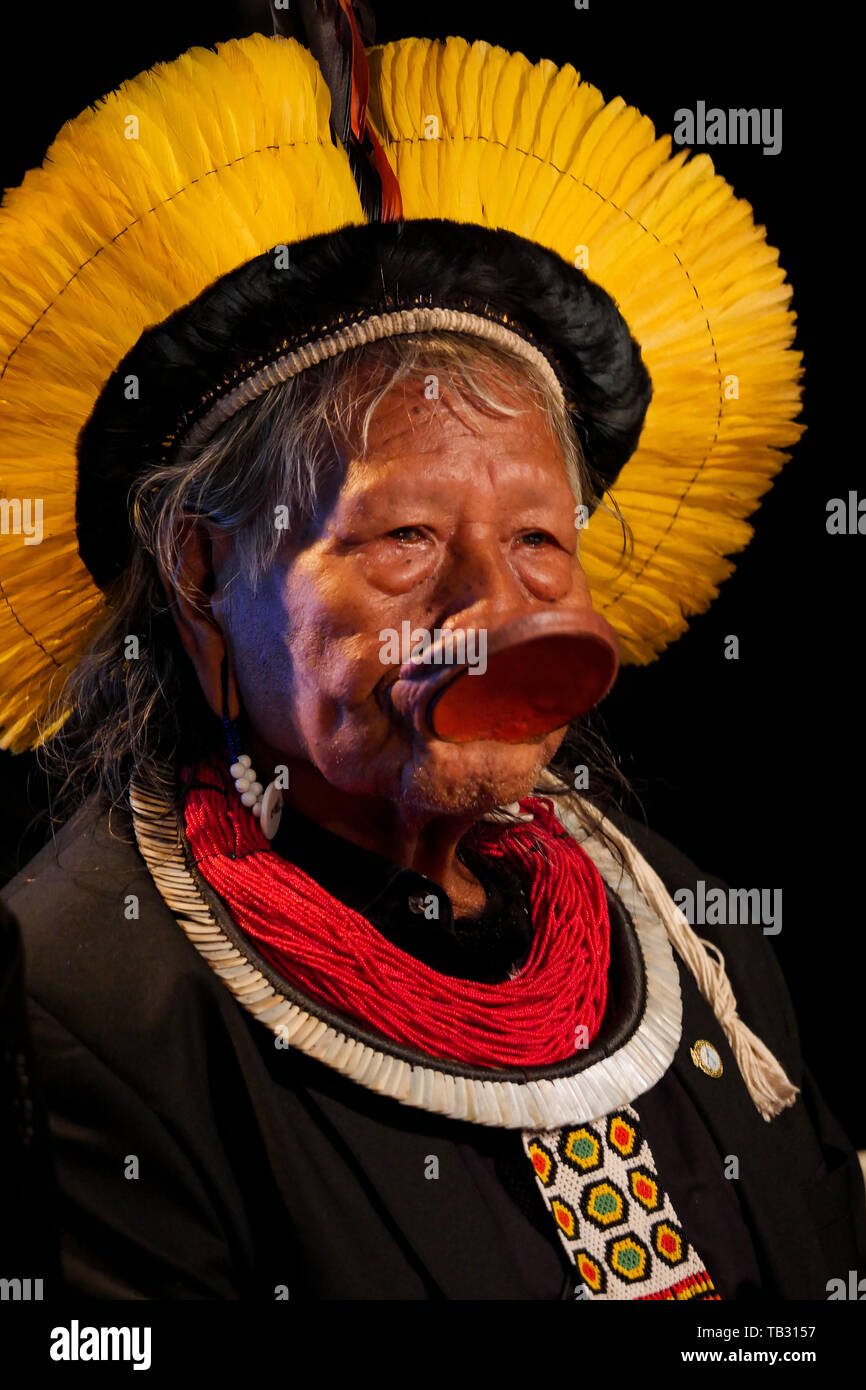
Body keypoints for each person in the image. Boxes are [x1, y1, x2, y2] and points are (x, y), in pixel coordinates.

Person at [1, 10, 864, 1300]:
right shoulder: (78, 1011)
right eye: (403, 534)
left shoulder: (677, 925)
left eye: (537, 539)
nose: (494, 606)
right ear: (202, 573)